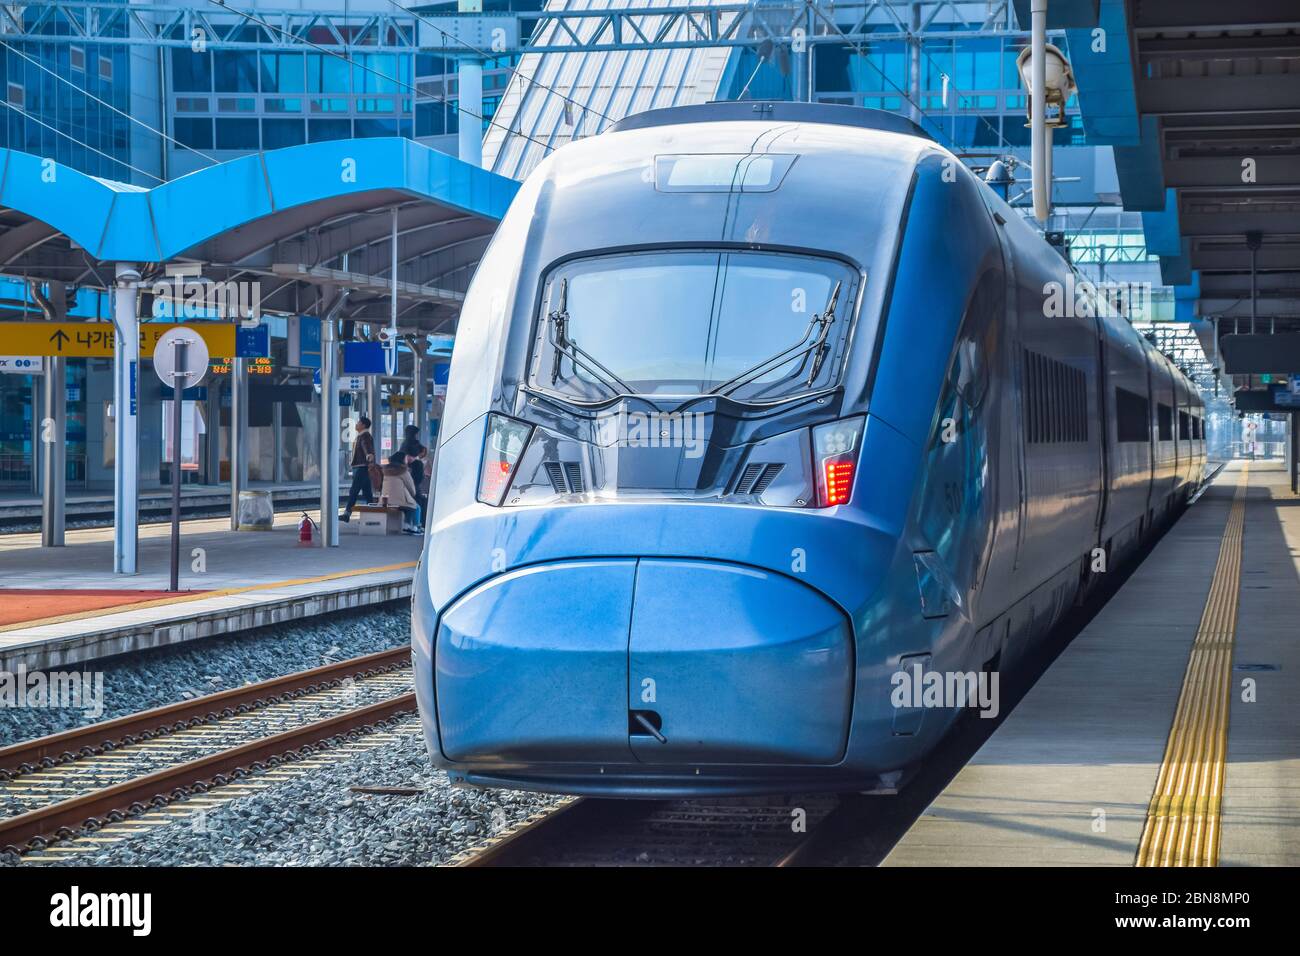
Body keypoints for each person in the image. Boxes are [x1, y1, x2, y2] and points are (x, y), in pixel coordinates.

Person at [340, 416, 375, 523]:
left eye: (358, 422)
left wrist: (369, 456)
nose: (356, 424)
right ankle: (372, 514)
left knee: (354, 491)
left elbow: (367, 448)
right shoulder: (361, 436)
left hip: (362, 467)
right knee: (367, 492)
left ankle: (347, 514)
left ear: (363, 425)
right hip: (360, 467)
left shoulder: (365, 436)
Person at [379, 451, 421, 534]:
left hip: (385, 500)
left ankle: (407, 525)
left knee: (409, 506)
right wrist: (413, 494)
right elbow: (411, 487)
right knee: (416, 507)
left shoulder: (386, 471)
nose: (406, 460)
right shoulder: (403, 471)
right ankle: (415, 527)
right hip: (399, 501)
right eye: (405, 458)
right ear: (401, 460)